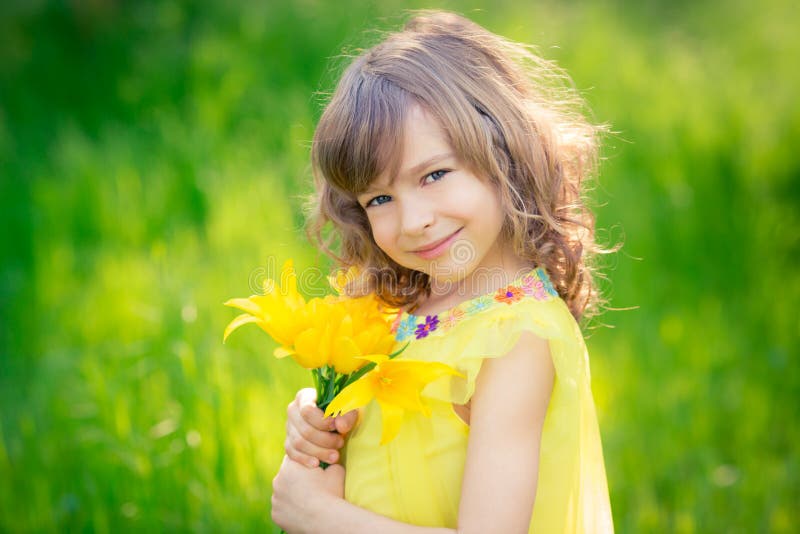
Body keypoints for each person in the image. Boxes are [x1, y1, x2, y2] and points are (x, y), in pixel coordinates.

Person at [271, 10, 614, 533]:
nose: (414, 221)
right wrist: (319, 420)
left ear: (504, 148)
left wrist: (317, 516)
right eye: (380, 198)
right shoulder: (398, 307)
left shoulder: (516, 339)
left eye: (434, 174)